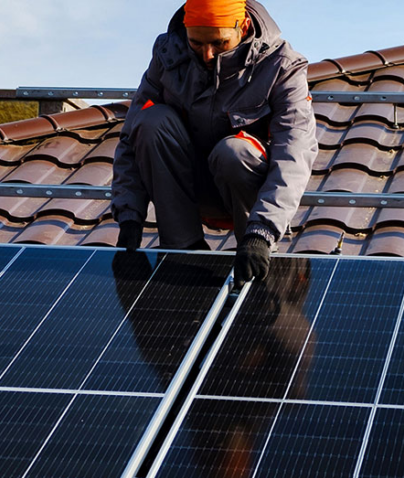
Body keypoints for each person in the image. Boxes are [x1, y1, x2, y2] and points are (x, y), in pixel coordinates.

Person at [111, 0, 319, 287]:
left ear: (243, 27)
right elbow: (131, 137)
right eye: (196, 43)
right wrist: (129, 217)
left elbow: (295, 151)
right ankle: (182, 255)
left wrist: (263, 230)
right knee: (150, 121)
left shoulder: (281, 66)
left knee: (235, 151)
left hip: (245, 188)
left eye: (219, 43)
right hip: (187, 187)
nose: (207, 55)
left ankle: (255, 259)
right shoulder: (167, 56)